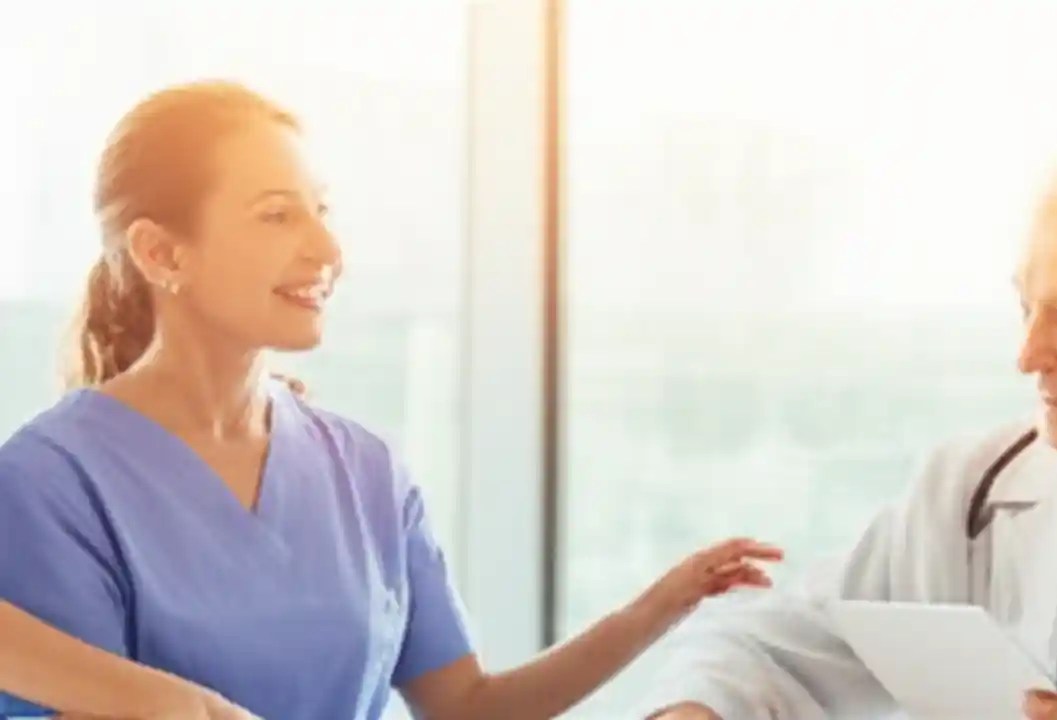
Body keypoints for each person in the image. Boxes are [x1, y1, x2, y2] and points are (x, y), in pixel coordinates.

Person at [0, 80, 782, 720]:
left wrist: (656, 611)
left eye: (322, 210)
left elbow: (468, 708)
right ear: (161, 253)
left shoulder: (365, 471)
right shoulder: (52, 483)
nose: (326, 250)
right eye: (277, 215)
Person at [642, 132, 1057, 720]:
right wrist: (700, 709)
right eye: (1028, 310)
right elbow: (768, 644)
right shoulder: (972, 494)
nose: (1028, 355)